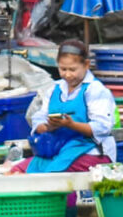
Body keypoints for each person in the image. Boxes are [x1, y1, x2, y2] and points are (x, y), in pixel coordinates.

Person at [25, 40, 116, 175]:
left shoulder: (95, 90)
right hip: (59, 150)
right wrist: (47, 127)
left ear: (86, 65)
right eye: (63, 69)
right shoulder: (54, 89)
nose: (67, 74)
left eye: (72, 69)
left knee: (52, 176)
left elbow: (102, 126)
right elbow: (39, 116)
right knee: (20, 170)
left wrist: (71, 124)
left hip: (91, 152)